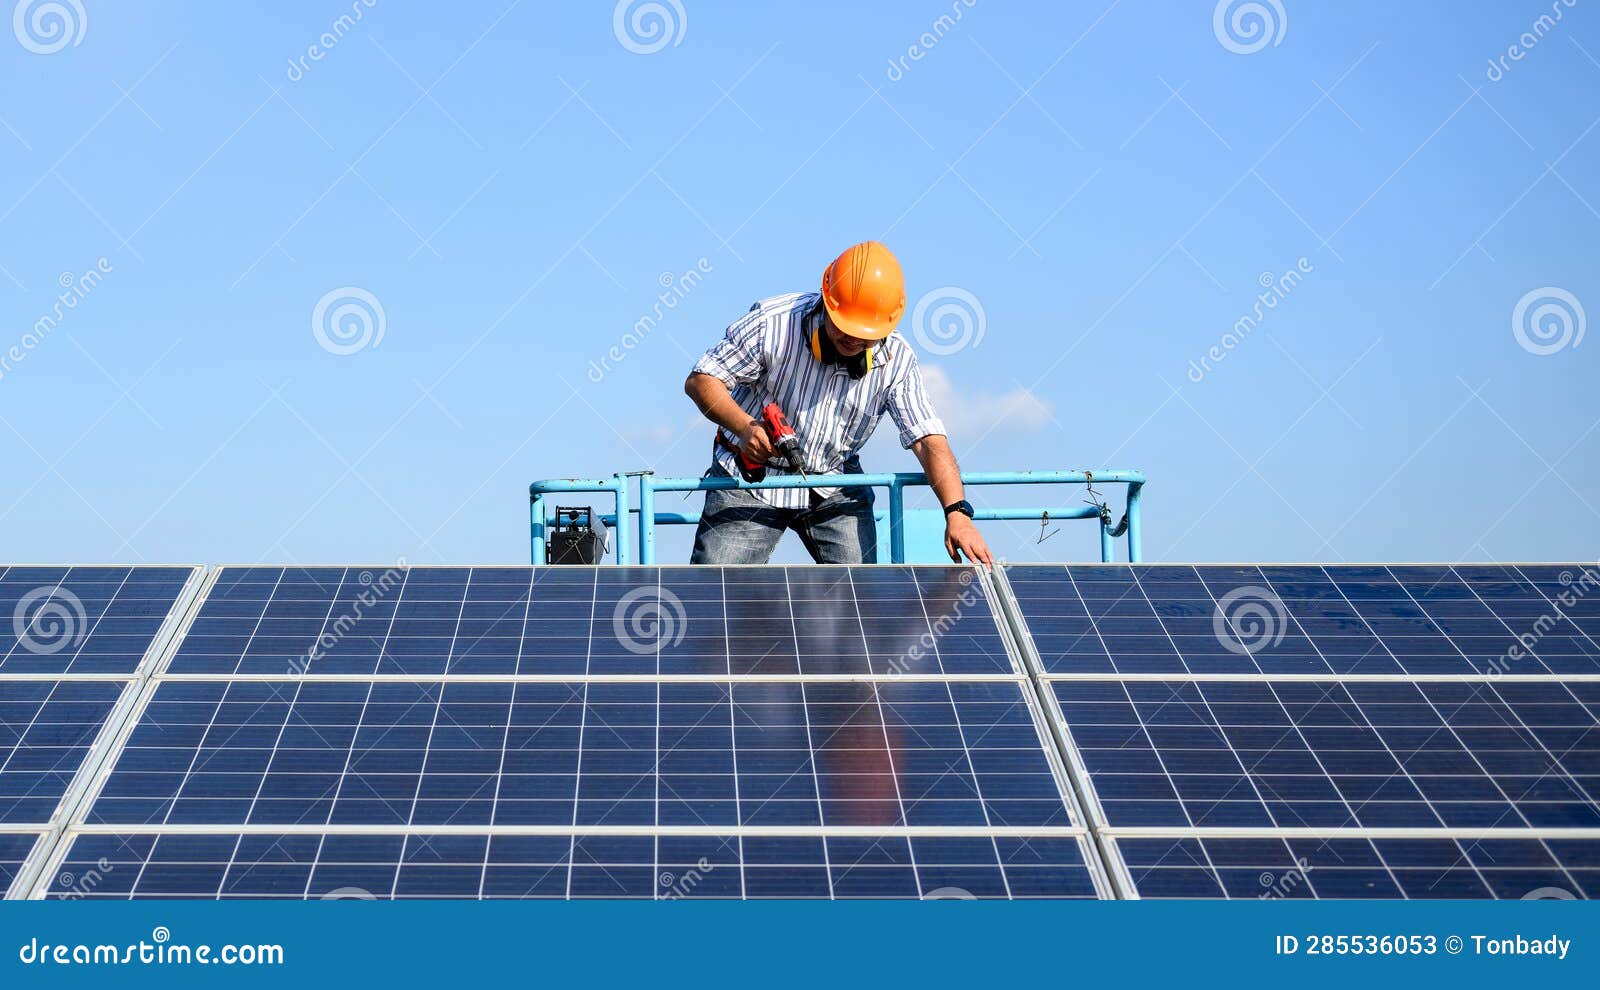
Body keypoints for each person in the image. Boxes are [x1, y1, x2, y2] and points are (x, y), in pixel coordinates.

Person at [683, 241, 992, 566]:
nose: (854, 340)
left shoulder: (897, 360)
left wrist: (957, 513)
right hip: (747, 480)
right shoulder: (771, 324)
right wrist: (745, 428)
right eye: (845, 328)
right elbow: (702, 380)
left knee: (859, 599)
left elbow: (928, 441)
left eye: (866, 334)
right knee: (719, 597)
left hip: (835, 483)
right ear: (827, 302)